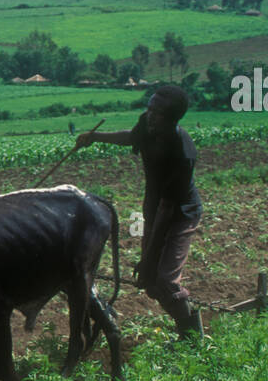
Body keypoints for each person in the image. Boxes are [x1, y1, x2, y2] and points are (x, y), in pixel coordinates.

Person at [76, 84, 203, 337]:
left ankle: (192, 336)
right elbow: (132, 137)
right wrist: (95, 137)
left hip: (180, 214)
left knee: (164, 280)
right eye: (150, 108)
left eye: (157, 112)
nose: (150, 114)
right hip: (155, 209)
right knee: (151, 284)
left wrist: (147, 258)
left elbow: (168, 210)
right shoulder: (148, 124)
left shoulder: (181, 152)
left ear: (172, 118)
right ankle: (184, 321)